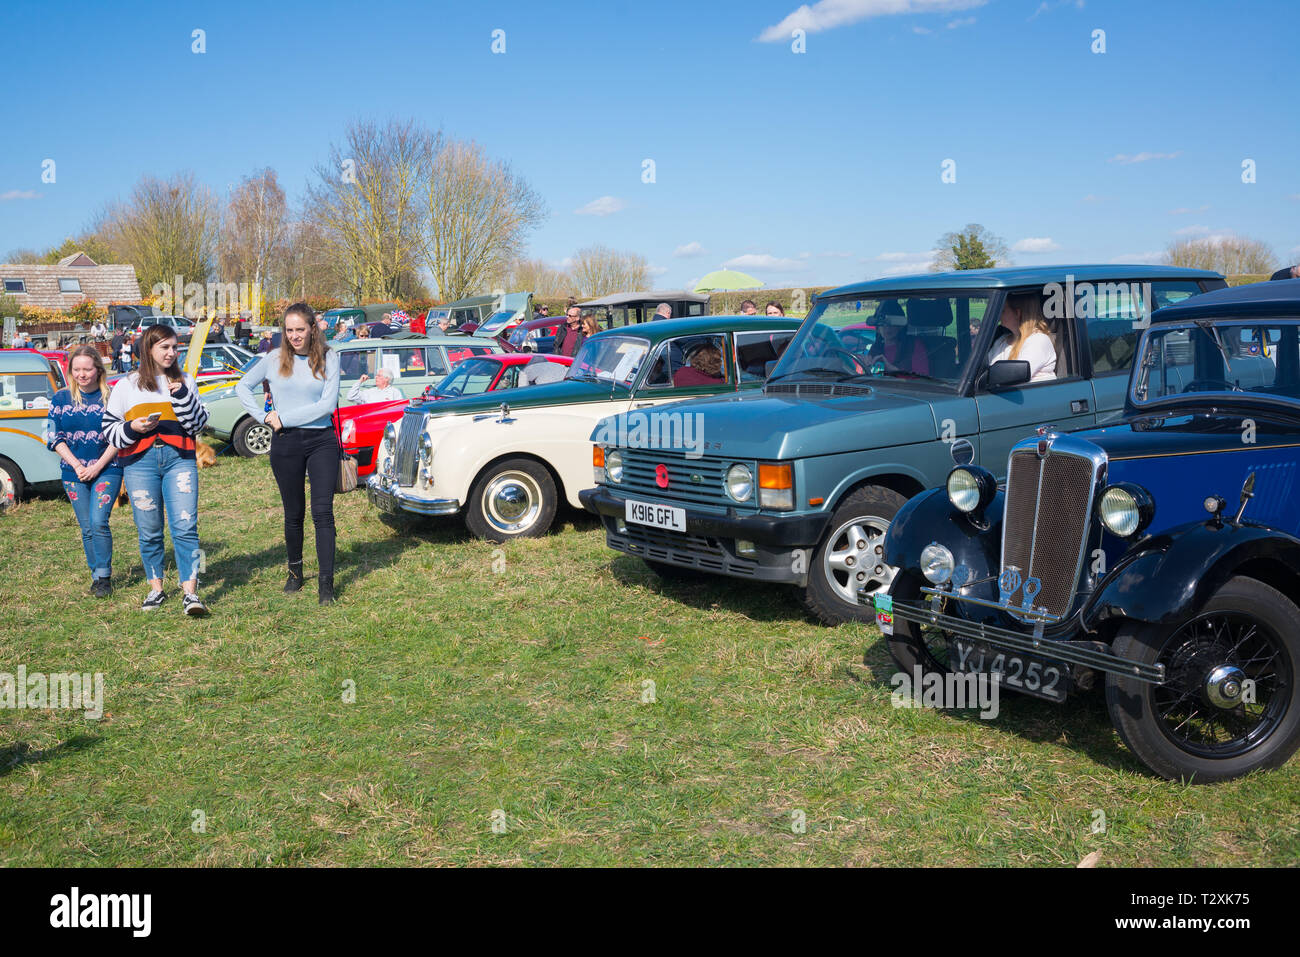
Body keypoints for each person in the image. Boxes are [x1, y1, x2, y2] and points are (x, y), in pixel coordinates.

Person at [236, 301, 342, 604]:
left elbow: (326, 405)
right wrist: (265, 417)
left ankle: (326, 584)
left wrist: (284, 417)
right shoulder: (273, 359)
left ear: (312, 329)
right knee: (293, 513)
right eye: (290, 330)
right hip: (286, 443)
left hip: (321, 440)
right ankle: (295, 573)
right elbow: (243, 387)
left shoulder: (329, 358)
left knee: (323, 512)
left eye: (300, 329)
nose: (295, 335)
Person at [103, 324, 210, 615]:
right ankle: (157, 589)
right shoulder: (127, 385)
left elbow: (198, 425)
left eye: (175, 347)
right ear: (148, 349)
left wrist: (183, 397)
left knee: (186, 526)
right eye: (165, 347)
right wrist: (132, 427)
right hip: (139, 463)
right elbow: (109, 430)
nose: (171, 353)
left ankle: (191, 592)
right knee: (149, 530)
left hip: (180, 460)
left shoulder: (185, 379)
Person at [47, 346, 122, 597]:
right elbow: (52, 436)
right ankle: (96, 575)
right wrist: (78, 465)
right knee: (87, 526)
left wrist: (97, 466)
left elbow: (119, 437)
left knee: (99, 521)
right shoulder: (60, 398)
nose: (82, 374)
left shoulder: (112, 397)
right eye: (76, 369)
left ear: (98, 370)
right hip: (73, 473)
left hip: (108, 468)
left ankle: (105, 577)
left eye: (87, 369)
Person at [987, 293, 1056, 382]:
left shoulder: (1038, 341)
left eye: (1003, 311)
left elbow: (1012, 377)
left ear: (1017, 313)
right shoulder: (1002, 340)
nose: (999, 315)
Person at [865, 301, 929, 376]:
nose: (887, 327)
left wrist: (890, 369)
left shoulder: (914, 345)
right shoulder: (875, 348)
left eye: (892, 322)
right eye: (882, 322)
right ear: (877, 328)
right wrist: (866, 367)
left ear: (900, 325)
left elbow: (923, 379)